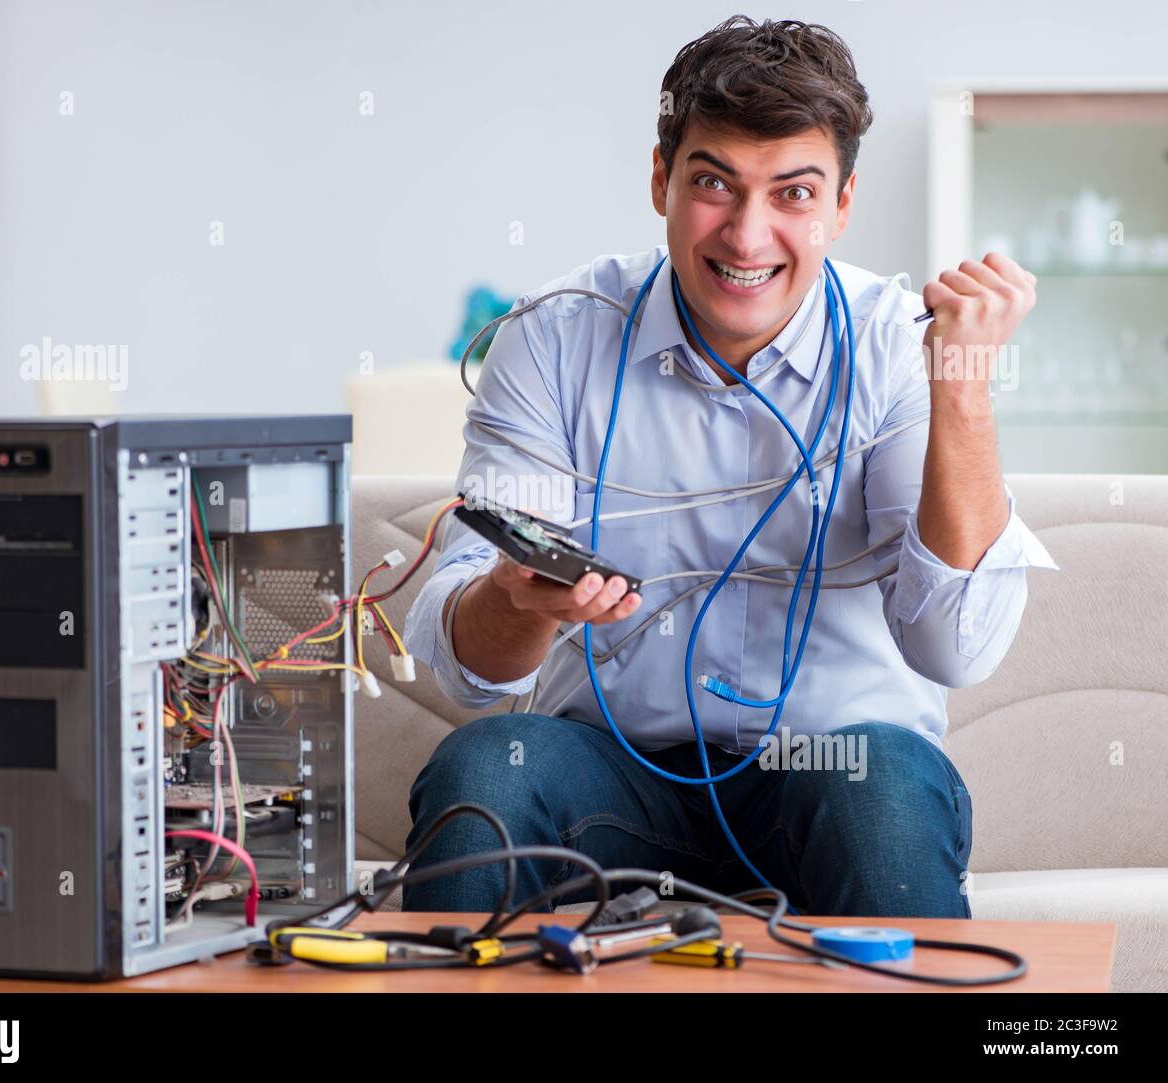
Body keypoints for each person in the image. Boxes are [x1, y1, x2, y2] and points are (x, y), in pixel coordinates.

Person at [400, 14, 1057, 918]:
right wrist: (521, 600)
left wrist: (965, 389)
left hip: (832, 772)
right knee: (486, 767)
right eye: (714, 183)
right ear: (663, 178)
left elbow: (957, 648)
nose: (747, 238)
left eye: (793, 193)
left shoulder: (899, 347)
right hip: (613, 773)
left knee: (883, 786)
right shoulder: (552, 339)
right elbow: (472, 675)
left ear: (842, 203)